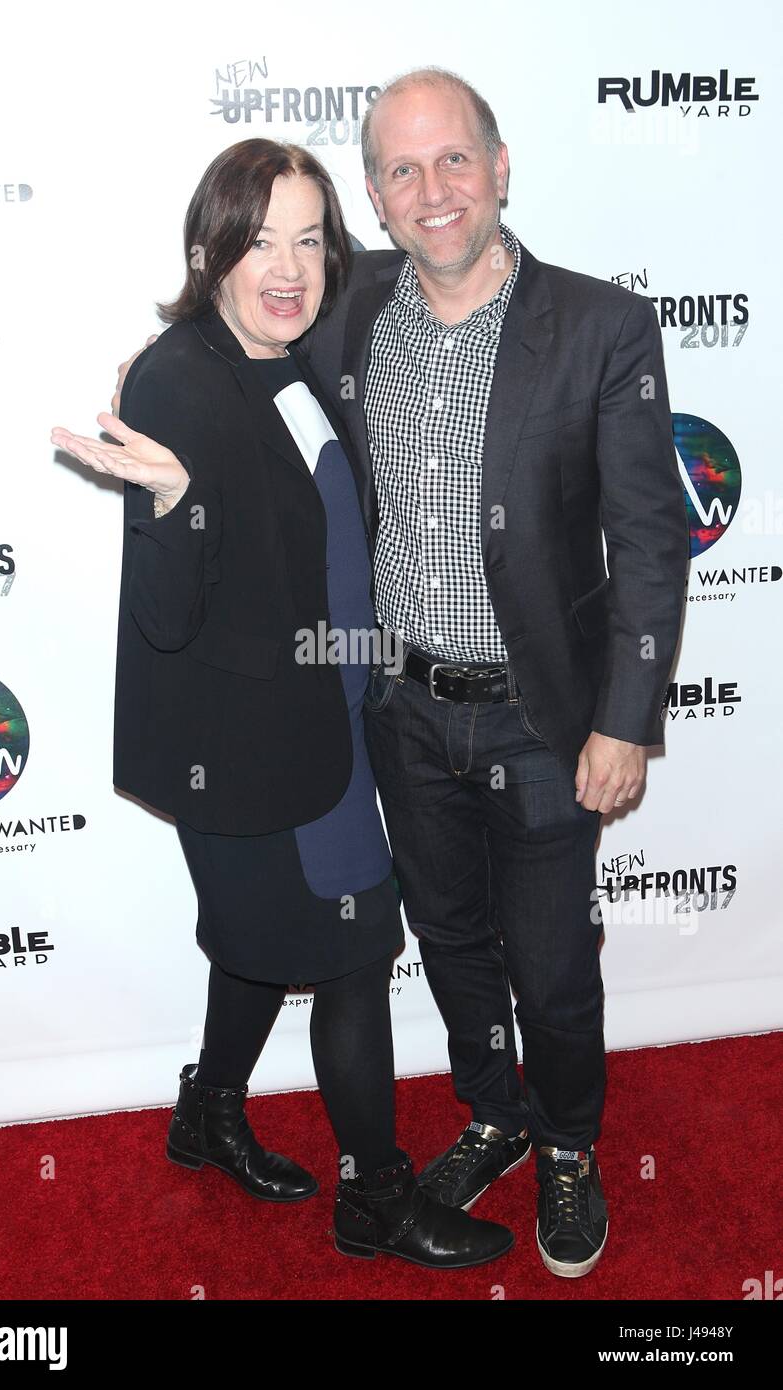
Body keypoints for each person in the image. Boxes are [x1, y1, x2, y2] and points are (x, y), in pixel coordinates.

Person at [113, 69, 691, 1280]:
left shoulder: (597, 326)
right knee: (452, 939)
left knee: (551, 957)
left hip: (542, 719)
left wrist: (626, 720)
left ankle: (571, 1146)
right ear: (374, 194)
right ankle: (492, 1112)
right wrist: (158, 372)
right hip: (399, 709)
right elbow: (228, 340)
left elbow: (648, 536)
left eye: (454, 161)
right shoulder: (344, 300)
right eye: (400, 171)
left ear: (499, 164)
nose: (431, 193)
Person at [51, 137, 514, 1270]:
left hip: (329, 720)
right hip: (256, 746)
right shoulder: (180, 381)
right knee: (355, 953)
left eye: (310, 237)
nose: (290, 264)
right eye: (261, 238)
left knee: (262, 943)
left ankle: (208, 1111)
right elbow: (167, 617)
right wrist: (167, 502)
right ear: (213, 245)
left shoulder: (297, 354)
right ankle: (376, 1197)